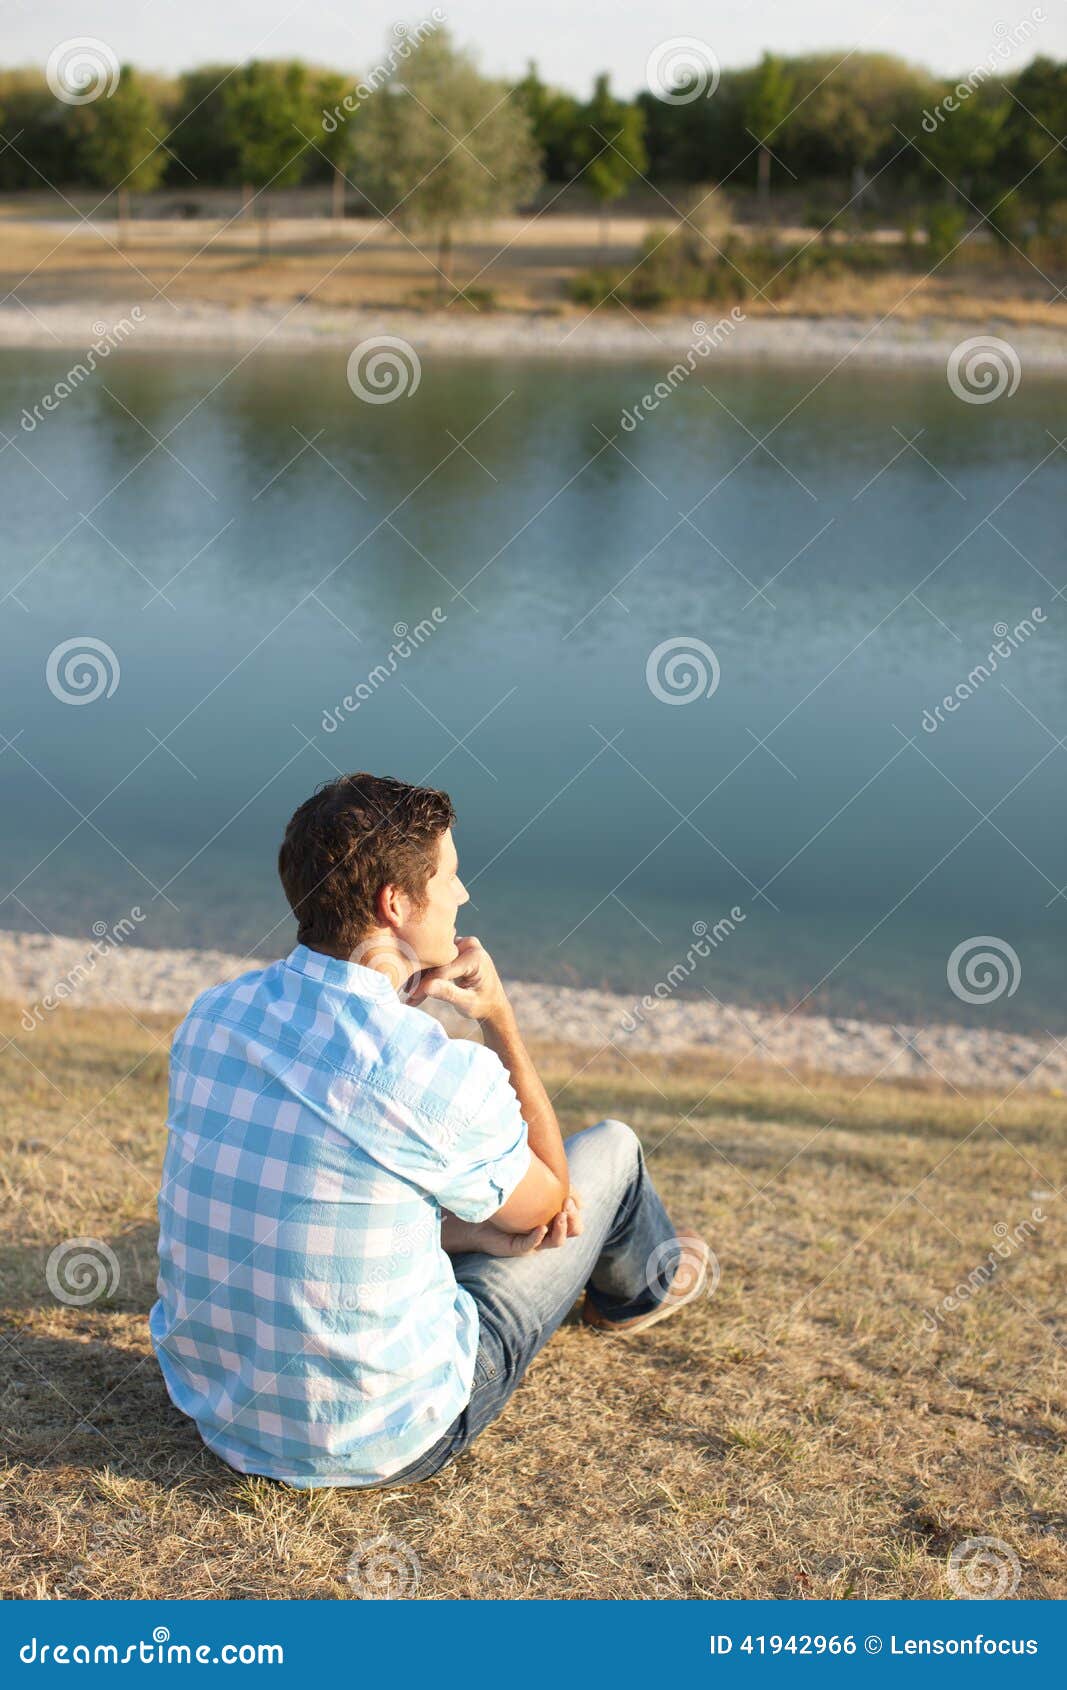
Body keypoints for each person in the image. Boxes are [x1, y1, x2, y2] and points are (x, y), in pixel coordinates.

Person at [149, 771, 711, 1488]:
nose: (462, 894)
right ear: (395, 903)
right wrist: (499, 1017)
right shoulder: (427, 1070)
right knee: (616, 1152)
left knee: (462, 1211)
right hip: (380, 1437)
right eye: (449, 876)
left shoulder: (215, 1015)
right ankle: (641, 1291)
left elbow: (321, 1192)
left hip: (219, 1408)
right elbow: (546, 1203)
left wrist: (469, 1234)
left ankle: (528, 1251)